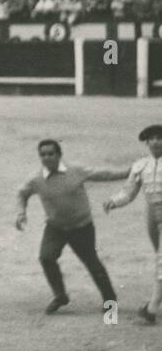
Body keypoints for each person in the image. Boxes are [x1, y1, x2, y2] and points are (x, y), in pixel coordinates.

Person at [16, 139, 128, 315]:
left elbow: (104, 174)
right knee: (46, 257)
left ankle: (110, 300)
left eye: (51, 154)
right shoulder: (36, 179)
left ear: (59, 155)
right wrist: (21, 213)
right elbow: (22, 194)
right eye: (43, 154)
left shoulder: (75, 170)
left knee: (92, 262)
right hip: (55, 228)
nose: (47, 157)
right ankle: (60, 296)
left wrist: (129, 172)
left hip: (81, 227)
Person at [103, 124, 162, 324]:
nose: (156, 141)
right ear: (146, 142)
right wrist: (114, 201)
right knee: (159, 258)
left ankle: (152, 309)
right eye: (152, 138)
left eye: (160, 138)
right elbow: (129, 191)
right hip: (153, 217)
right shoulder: (141, 165)